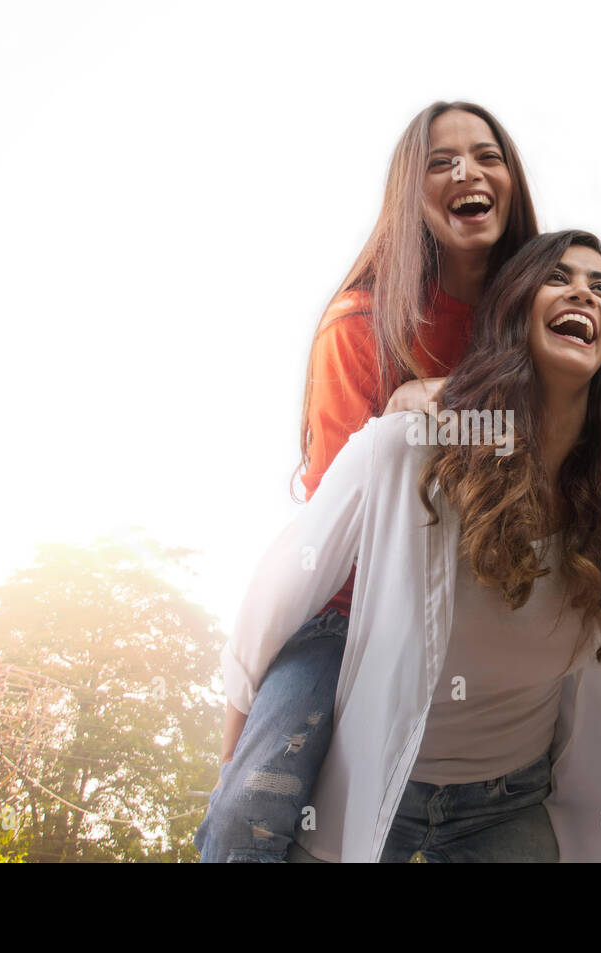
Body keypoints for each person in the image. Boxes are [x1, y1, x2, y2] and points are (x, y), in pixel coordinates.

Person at [217, 230, 601, 863]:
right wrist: (235, 780)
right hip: (372, 788)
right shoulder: (407, 449)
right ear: (513, 307)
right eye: (559, 278)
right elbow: (271, 609)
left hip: (511, 805)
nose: (584, 292)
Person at [194, 101, 538, 862]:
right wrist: (399, 411)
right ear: (409, 194)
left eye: (487, 156)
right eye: (441, 162)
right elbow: (334, 525)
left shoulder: (535, 326)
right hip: (349, 617)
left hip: (488, 608)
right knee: (244, 816)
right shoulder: (359, 324)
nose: (468, 173)